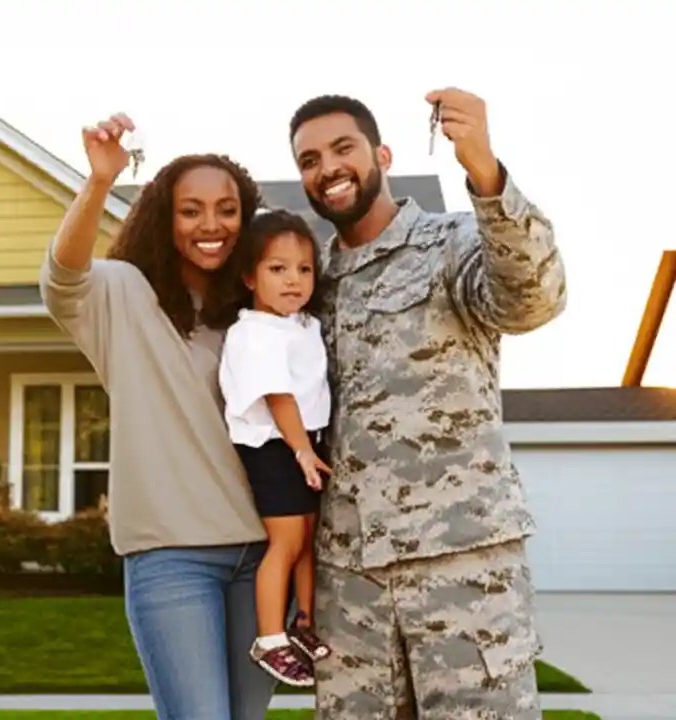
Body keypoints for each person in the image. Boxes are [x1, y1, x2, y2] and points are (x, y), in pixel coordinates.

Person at [287, 90, 567, 719]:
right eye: (309, 159)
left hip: (464, 570)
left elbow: (533, 299)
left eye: (342, 148)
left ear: (382, 155)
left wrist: (484, 169)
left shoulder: (452, 241)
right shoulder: (306, 284)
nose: (327, 168)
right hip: (350, 582)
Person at [40, 112, 276, 719]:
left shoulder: (261, 313)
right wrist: (99, 181)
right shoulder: (122, 294)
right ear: (164, 219)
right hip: (173, 558)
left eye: (227, 210)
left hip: (264, 558)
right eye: (190, 210)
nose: (211, 225)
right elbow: (62, 280)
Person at [218, 209, 334, 688]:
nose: (293, 280)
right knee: (285, 542)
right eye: (277, 268)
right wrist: (302, 451)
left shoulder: (300, 324)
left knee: (307, 539)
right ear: (250, 277)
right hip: (273, 446)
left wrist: (308, 447)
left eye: (304, 269)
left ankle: (304, 622)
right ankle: (269, 639)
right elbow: (277, 396)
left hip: (303, 444)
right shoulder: (254, 332)